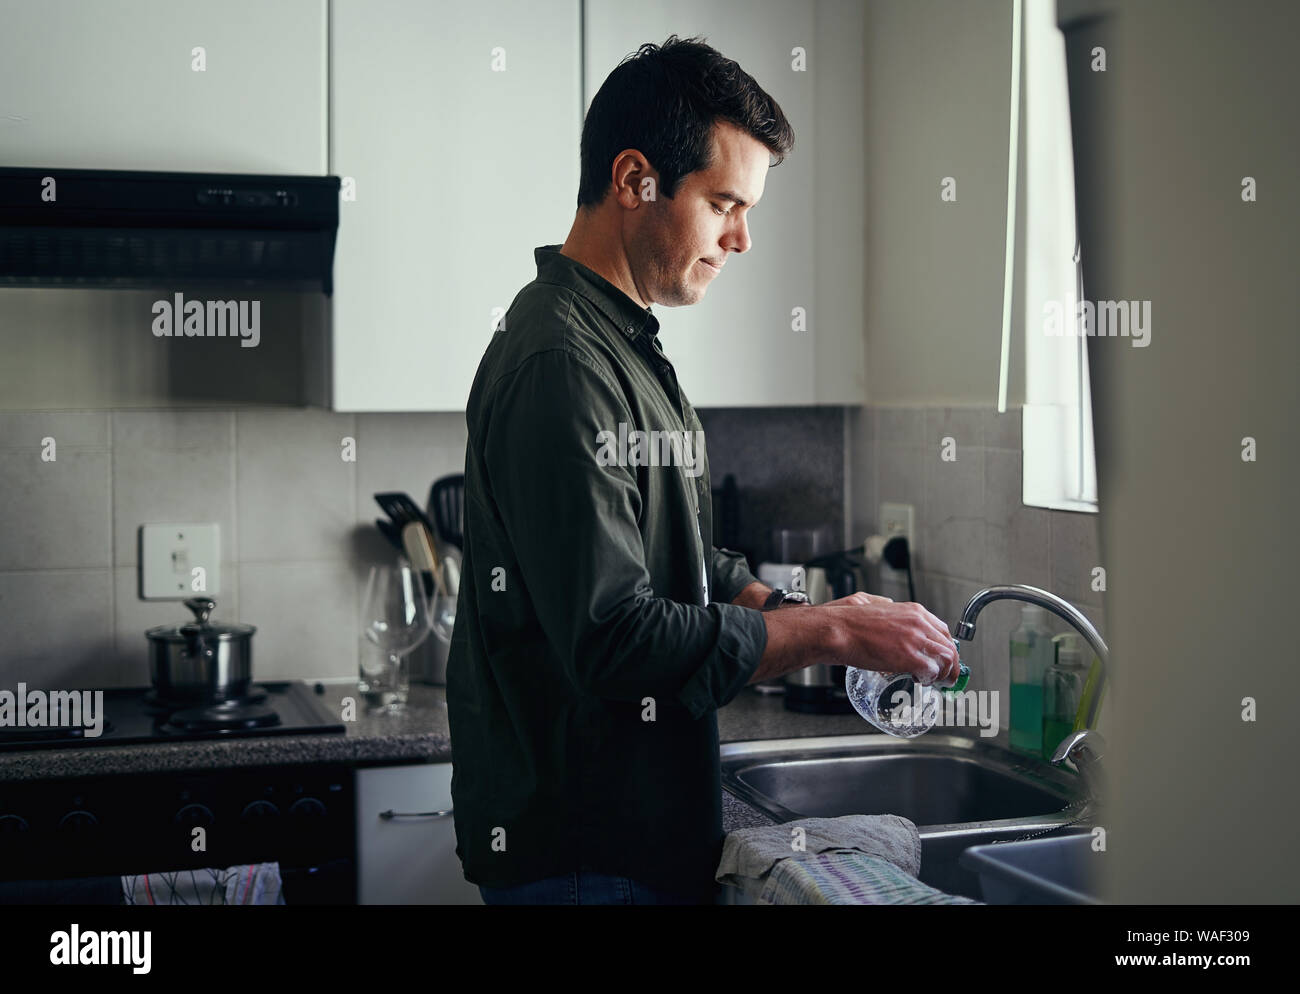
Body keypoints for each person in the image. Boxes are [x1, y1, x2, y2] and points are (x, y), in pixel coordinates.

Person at [446, 35, 960, 906]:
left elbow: (677, 562)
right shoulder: (561, 364)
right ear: (636, 179)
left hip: (628, 840)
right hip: (583, 856)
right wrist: (831, 633)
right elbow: (614, 636)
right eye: (725, 202)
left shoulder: (624, 344)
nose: (742, 237)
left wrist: (788, 608)